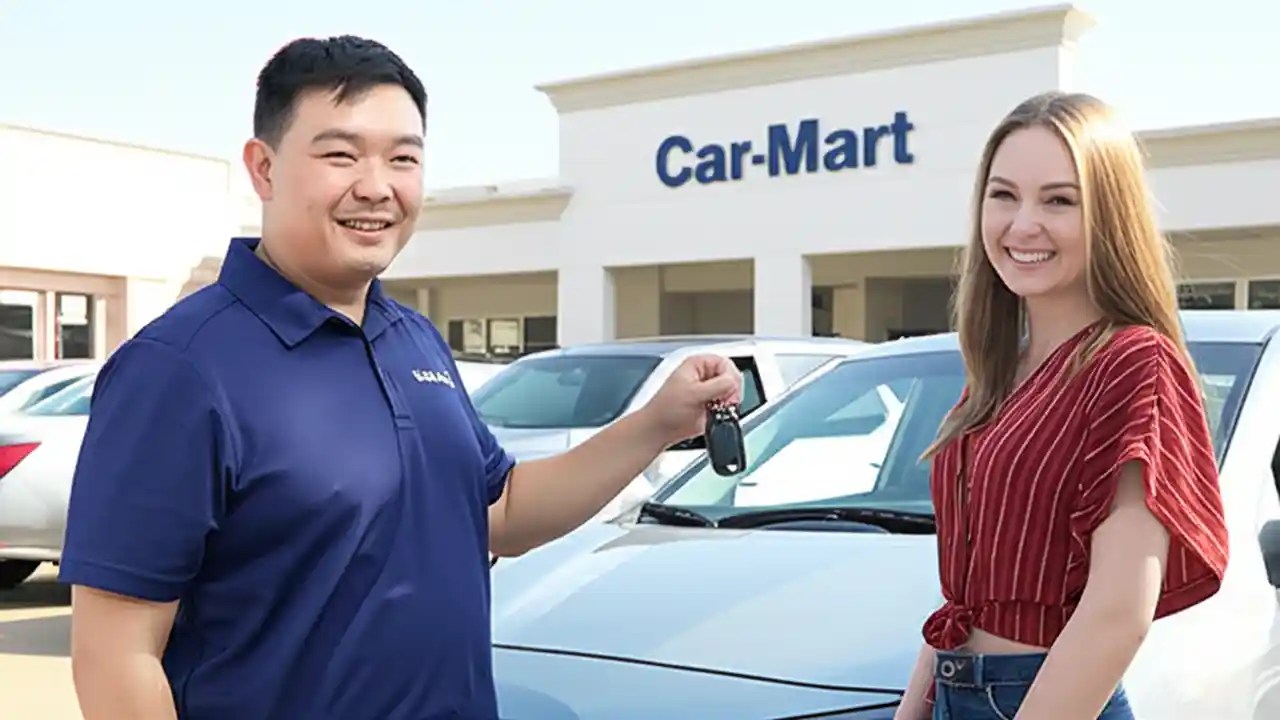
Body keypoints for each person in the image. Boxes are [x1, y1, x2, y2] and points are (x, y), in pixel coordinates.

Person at [59, 35, 742, 720]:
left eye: (403, 158)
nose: (376, 186)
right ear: (263, 169)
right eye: (340, 154)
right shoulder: (180, 368)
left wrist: (656, 423)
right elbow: (116, 654)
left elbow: (498, 514)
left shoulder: (411, 338)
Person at [892, 91, 1229, 720]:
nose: (1023, 224)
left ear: (1109, 215)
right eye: (1003, 195)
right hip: (956, 692)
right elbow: (961, 604)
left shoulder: (1132, 362)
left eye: (1059, 200)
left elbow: (1116, 615)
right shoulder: (995, 376)